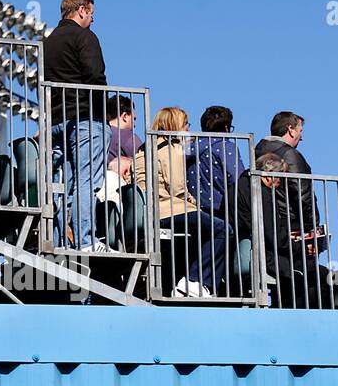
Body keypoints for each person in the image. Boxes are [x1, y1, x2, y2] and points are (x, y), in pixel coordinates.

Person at [136, 107, 228, 298]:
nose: (188, 130)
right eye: (186, 124)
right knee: (223, 230)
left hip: (151, 211)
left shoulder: (146, 148)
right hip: (170, 209)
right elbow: (177, 188)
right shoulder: (172, 148)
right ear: (175, 125)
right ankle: (196, 281)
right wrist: (194, 202)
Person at [44, 0, 108, 251]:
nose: (92, 19)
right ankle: (85, 241)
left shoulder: (47, 41)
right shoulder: (85, 36)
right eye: (91, 13)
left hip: (56, 121)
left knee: (62, 185)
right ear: (81, 10)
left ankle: (61, 242)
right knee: (87, 181)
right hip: (84, 118)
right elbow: (95, 76)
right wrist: (103, 110)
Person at [234, 155, 333, 308]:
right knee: (319, 275)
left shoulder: (240, 185)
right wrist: (303, 248)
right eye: (280, 177)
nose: (280, 183)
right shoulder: (262, 194)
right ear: (268, 175)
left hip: (253, 248)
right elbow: (273, 237)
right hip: (264, 255)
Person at [186, 105, 246, 229]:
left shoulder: (188, 149)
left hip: (192, 209)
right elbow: (237, 181)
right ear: (226, 127)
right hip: (221, 209)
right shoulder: (226, 147)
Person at [105, 95, 143, 178]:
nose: (135, 125)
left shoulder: (99, 134)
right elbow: (143, 161)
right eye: (133, 119)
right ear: (125, 116)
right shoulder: (127, 136)